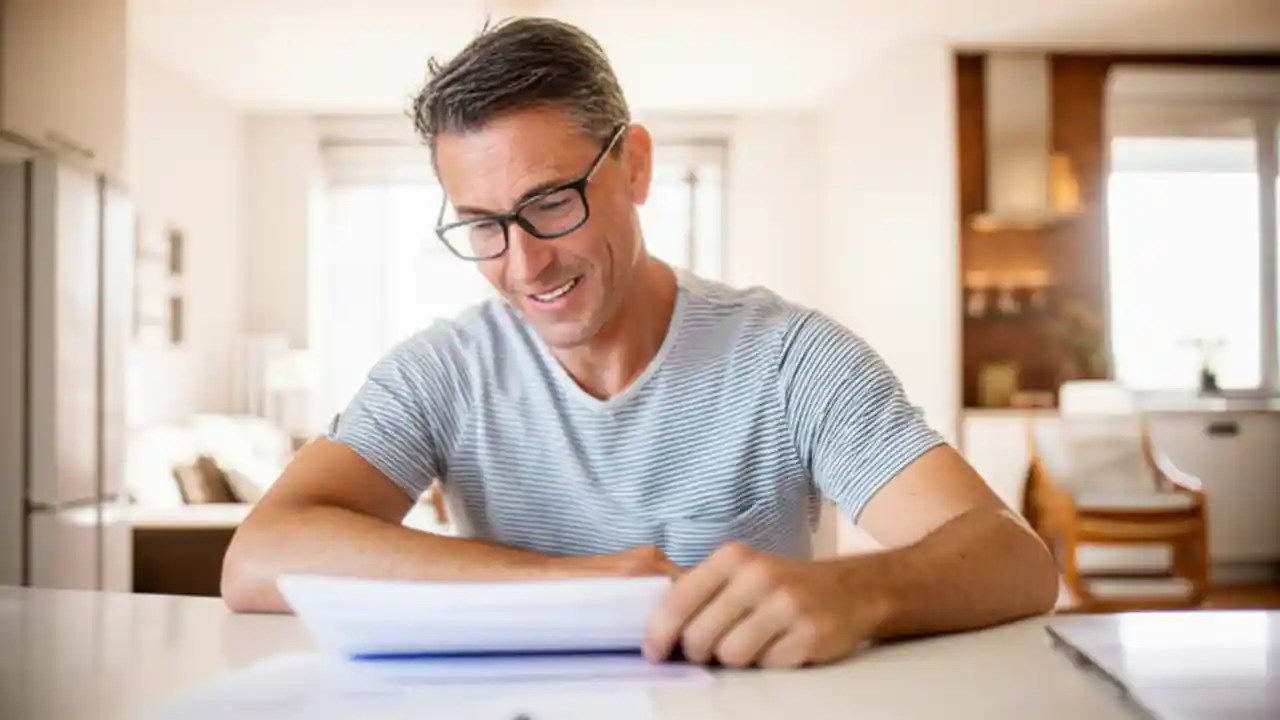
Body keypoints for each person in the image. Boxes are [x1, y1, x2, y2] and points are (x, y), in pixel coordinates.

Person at [221, 17, 1058, 669]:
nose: (524, 264)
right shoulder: (443, 372)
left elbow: (1015, 561)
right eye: (483, 226)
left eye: (551, 203)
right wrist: (575, 586)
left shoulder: (792, 359)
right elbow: (258, 559)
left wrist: (860, 592)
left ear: (635, 168)